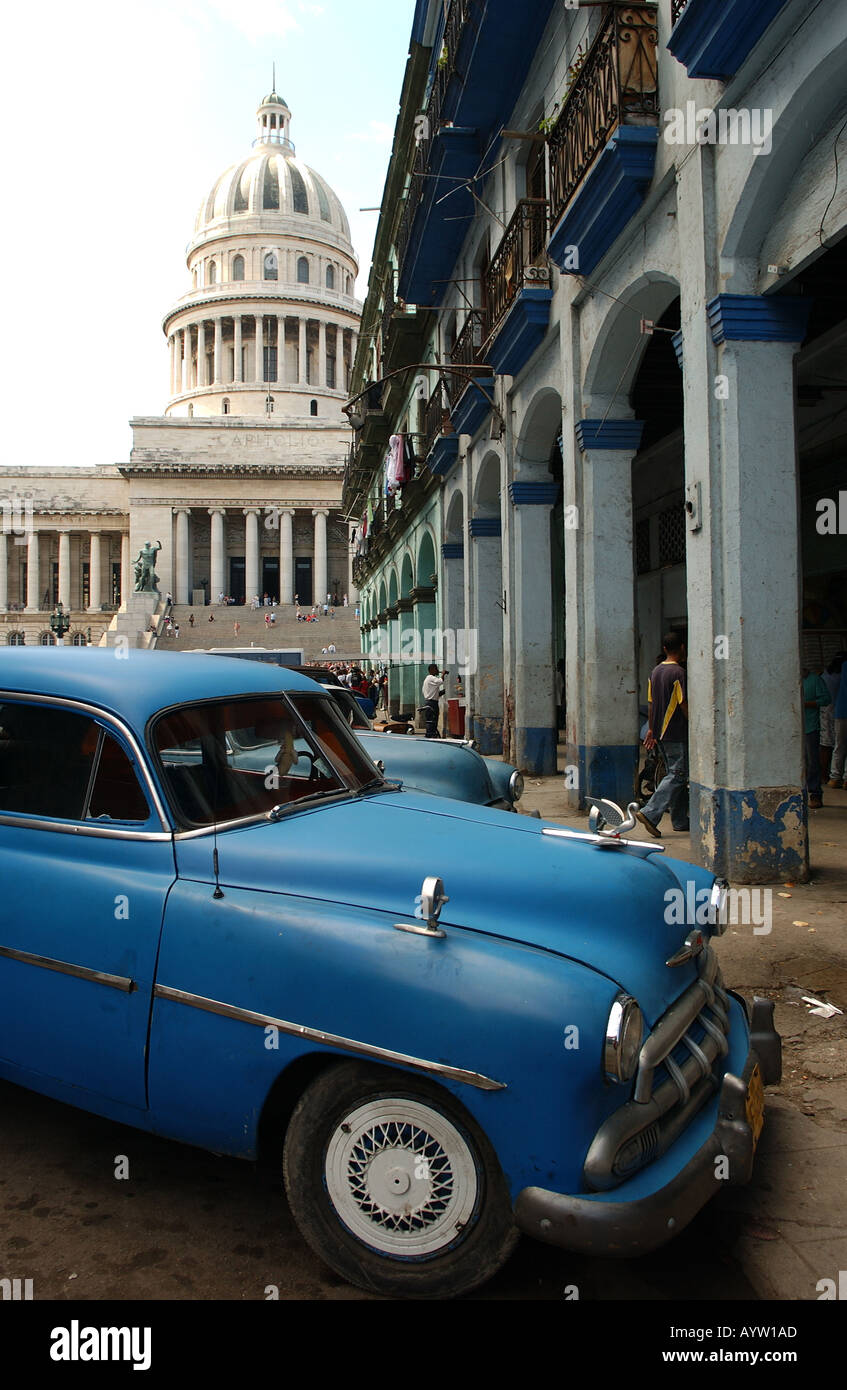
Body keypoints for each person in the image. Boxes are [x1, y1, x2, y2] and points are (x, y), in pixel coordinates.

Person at [636, 632, 689, 836]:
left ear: (665, 649)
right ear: (682, 648)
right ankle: (650, 812)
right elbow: (682, 702)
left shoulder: (655, 672)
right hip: (675, 730)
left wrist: (651, 728)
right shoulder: (678, 673)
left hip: (660, 731)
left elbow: (651, 703)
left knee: (674, 773)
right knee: (678, 773)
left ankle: (679, 819)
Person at [803, 666, 832, 809]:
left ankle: (815, 794)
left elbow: (826, 699)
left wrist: (807, 704)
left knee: (812, 762)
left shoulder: (815, 680)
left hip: (810, 727)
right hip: (793, 727)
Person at [827, 654, 846, 789]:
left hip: (839, 711)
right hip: (840, 710)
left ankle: (834, 777)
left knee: (839, 745)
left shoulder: (831, 674)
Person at [422, 664, 445, 739]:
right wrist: (443, 674)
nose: (438, 670)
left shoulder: (428, 680)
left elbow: (435, 694)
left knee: (432, 720)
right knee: (432, 720)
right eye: (436, 669)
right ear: (431, 670)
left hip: (430, 701)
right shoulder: (431, 678)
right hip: (432, 703)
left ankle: (431, 734)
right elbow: (440, 681)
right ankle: (430, 735)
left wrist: (444, 691)